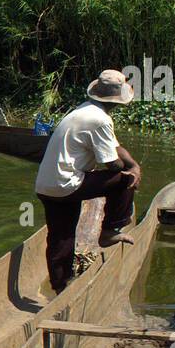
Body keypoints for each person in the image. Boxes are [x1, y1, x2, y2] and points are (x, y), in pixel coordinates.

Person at [34, 69, 142, 293]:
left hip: (46, 186)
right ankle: (110, 230)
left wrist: (133, 163)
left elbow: (115, 147)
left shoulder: (84, 111)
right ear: (118, 100)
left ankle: (59, 288)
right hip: (68, 183)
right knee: (124, 179)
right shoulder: (100, 120)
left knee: (61, 237)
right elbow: (112, 163)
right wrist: (131, 170)